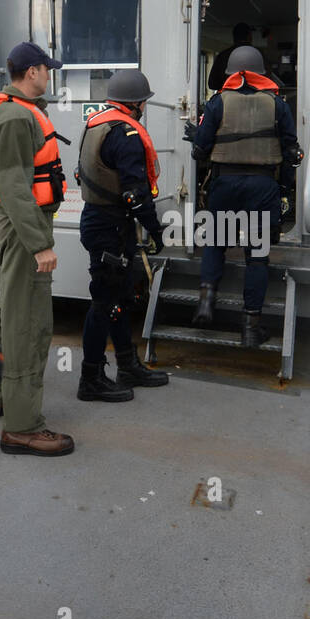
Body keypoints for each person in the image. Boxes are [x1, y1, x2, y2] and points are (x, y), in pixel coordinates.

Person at [0, 42, 74, 456]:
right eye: (46, 69)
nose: (49, 75)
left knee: (6, 314)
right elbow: (14, 187)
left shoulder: (21, 112)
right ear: (32, 72)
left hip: (20, 228)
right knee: (26, 324)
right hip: (23, 231)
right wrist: (40, 244)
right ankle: (22, 426)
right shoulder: (14, 117)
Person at [191, 45, 300, 347]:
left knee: (215, 243)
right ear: (261, 73)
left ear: (231, 73)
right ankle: (251, 327)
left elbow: (199, 149)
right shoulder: (278, 104)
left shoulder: (217, 102)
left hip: (225, 184)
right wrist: (286, 189)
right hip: (263, 187)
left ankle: (205, 304)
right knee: (257, 257)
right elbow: (291, 152)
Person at [74, 69, 170, 400]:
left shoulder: (97, 124)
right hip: (111, 227)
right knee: (104, 302)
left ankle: (127, 365)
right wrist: (156, 230)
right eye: (143, 102)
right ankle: (91, 378)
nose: (144, 107)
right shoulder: (125, 134)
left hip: (102, 220)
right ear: (136, 103)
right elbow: (135, 193)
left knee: (120, 298)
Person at [207, 22, 254, 92]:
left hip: (227, 100)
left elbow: (212, 84)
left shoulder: (222, 56)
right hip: (254, 100)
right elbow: (268, 81)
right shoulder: (259, 56)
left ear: (234, 37)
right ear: (249, 36)